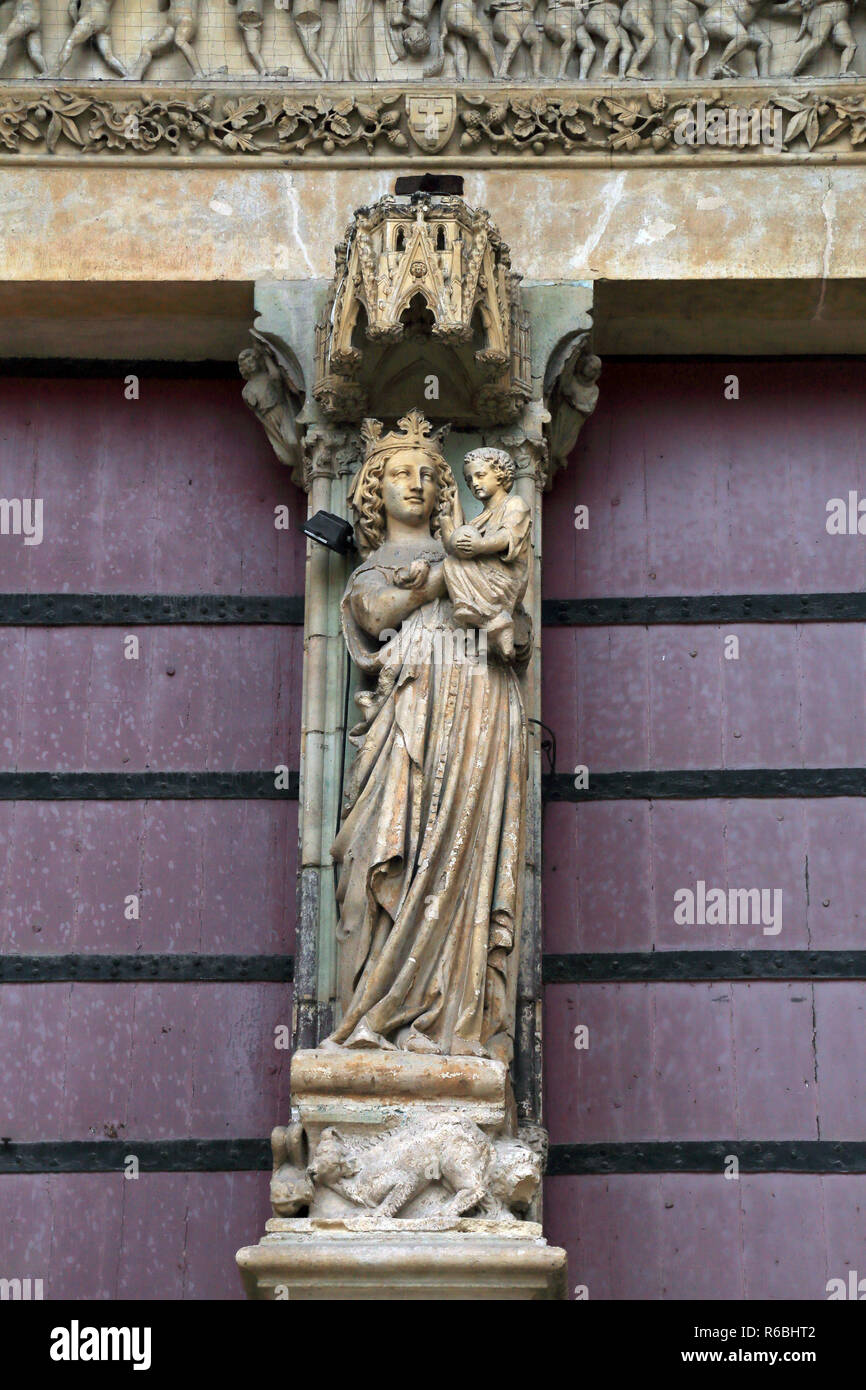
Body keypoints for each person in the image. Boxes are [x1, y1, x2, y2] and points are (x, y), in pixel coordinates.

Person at [322, 412, 528, 1063]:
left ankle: (452, 1020)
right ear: (372, 493)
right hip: (403, 720)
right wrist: (446, 572)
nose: (414, 484)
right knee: (373, 860)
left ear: (445, 488)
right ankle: (371, 1014)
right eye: (397, 474)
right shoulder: (374, 568)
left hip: (474, 715)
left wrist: (497, 613)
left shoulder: (472, 550)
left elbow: (515, 633)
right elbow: (378, 612)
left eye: (425, 474)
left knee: (462, 856)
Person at [440, 446, 531, 662]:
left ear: (501, 475)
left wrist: (480, 546)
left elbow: (507, 537)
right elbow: (452, 546)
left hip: (506, 580)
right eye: (469, 480)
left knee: (454, 564)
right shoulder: (479, 519)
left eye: (481, 475)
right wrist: (446, 519)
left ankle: (495, 620)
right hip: (484, 576)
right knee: (450, 563)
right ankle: (488, 624)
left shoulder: (515, 504)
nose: (475, 483)